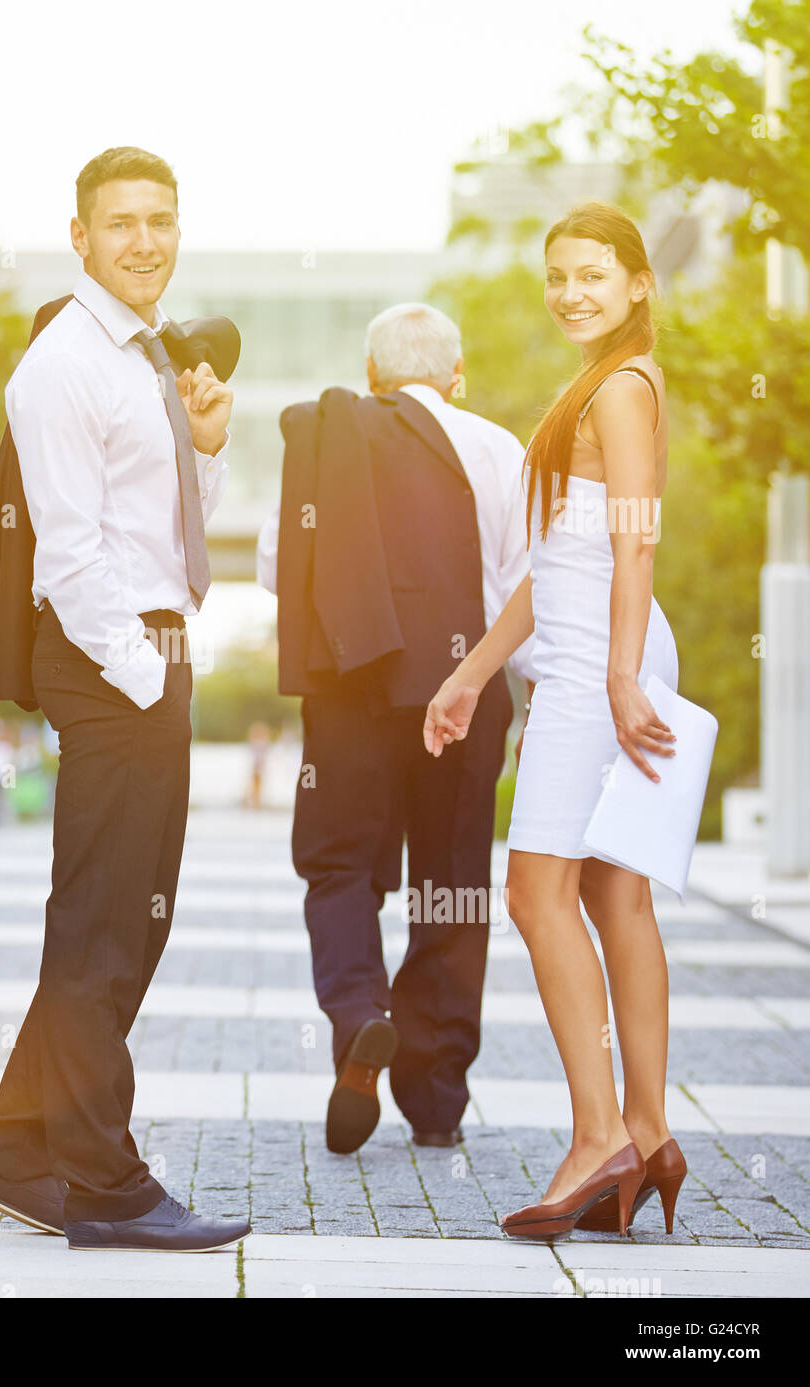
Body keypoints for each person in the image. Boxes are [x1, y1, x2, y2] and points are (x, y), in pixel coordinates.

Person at [0, 146, 249, 1252]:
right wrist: (139, 679)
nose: (143, 241)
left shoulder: (143, 358)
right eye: (120, 223)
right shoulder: (61, 365)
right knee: (101, 931)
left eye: (160, 221)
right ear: (78, 236)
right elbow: (75, 560)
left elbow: (157, 533)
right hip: (112, 662)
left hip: (150, 653)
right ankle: (105, 1180)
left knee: (126, 922)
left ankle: (9, 1144)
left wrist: (207, 448)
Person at [425, 202, 686, 1241]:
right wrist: (470, 674)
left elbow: (633, 545)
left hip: (596, 665)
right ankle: (649, 1129)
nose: (572, 292)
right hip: (591, 651)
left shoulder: (621, 388)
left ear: (635, 284)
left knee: (538, 891)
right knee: (617, 902)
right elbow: (556, 563)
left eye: (593, 275)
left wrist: (618, 676)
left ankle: (598, 1139)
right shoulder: (599, 384)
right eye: (558, 276)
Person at [258, 303, 536, 1155]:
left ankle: (357, 1016)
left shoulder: (330, 443)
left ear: (372, 376)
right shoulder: (499, 448)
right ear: (458, 375)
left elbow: (280, 567)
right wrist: (517, 705)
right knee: (450, 884)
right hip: (467, 689)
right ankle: (436, 1094)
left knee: (339, 865)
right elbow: (530, 589)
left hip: (350, 692)